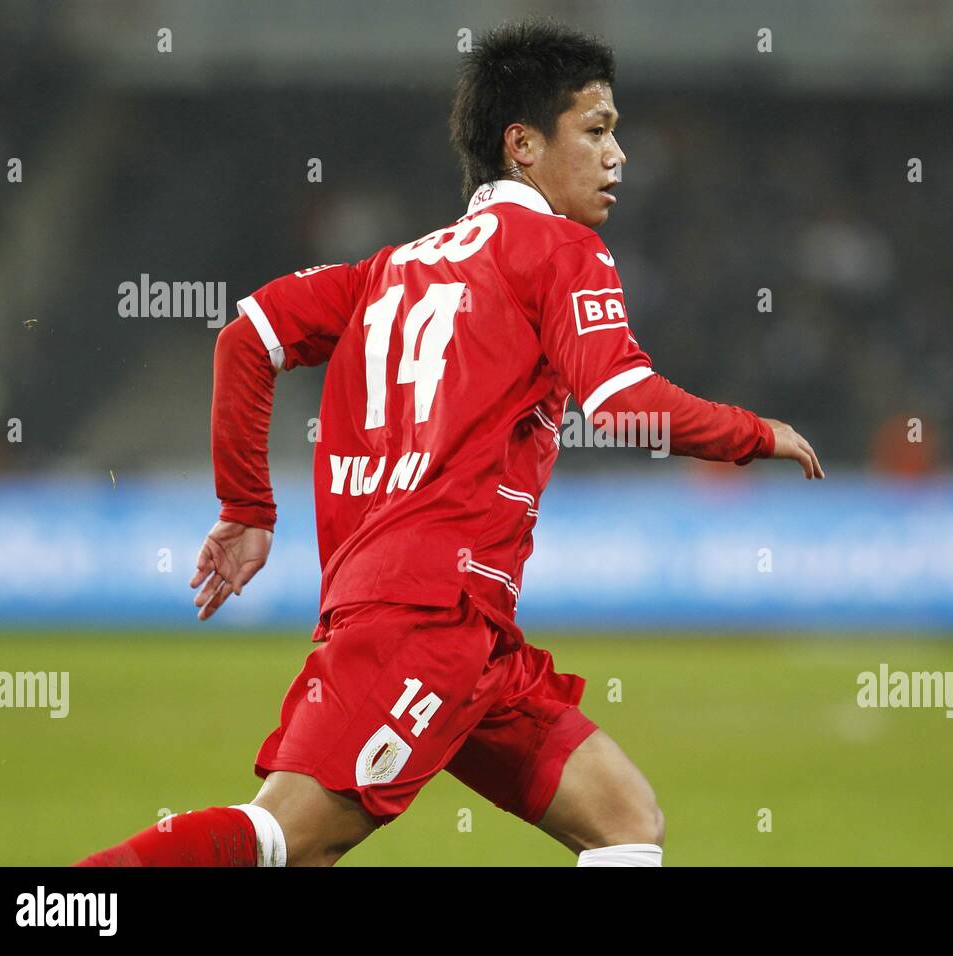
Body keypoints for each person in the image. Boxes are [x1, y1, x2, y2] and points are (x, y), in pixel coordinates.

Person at [76, 18, 822, 869]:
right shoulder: (560, 250)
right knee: (289, 838)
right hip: (427, 619)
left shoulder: (390, 267)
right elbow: (620, 401)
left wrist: (248, 507)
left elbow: (246, 337)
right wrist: (753, 431)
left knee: (625, 820)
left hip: (458, 624)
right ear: (524, 146)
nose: (619, 157)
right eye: (598, 130)